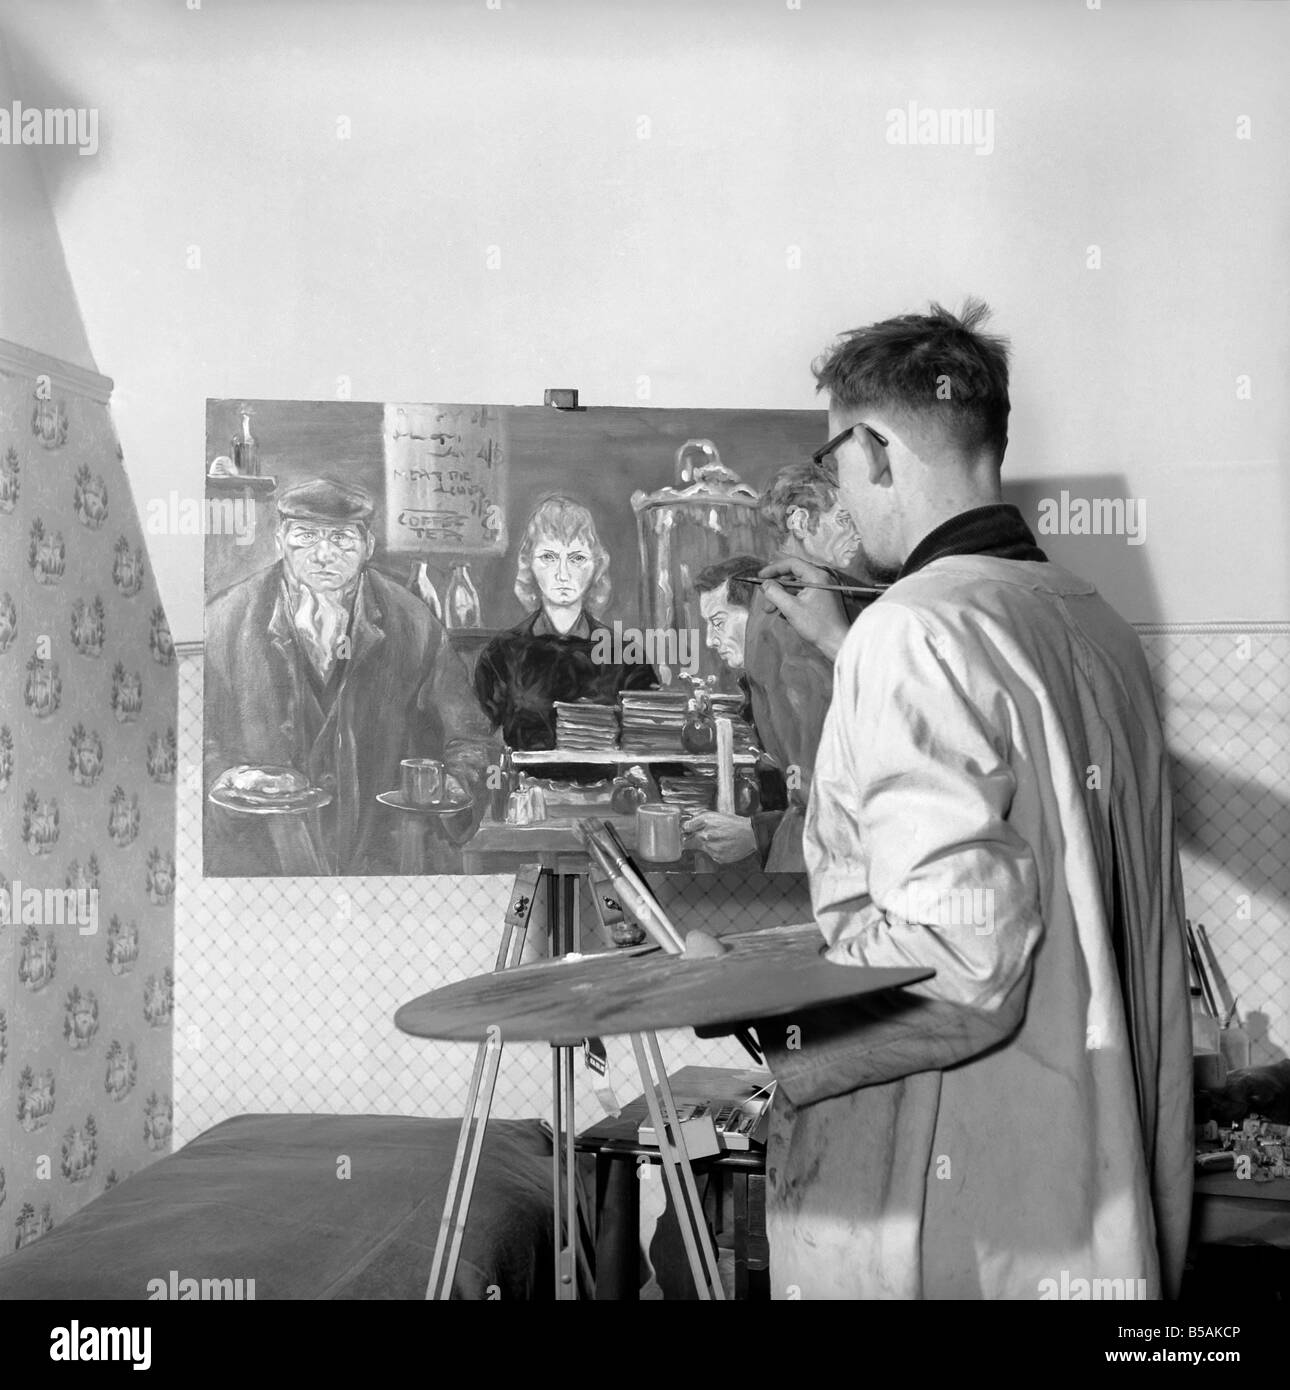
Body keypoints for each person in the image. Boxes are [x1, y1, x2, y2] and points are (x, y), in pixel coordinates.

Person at [755, 300, 1193, 1299]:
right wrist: (843, 648)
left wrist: (783, 1049)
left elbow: (956, 958)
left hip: (970, 1209)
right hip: (1093, 1200)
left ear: (871, 449)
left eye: (836, 460)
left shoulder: (910, 632)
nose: (840, 492)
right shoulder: (1091, 621)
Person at [204, 478, 493, 875]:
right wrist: (228, 779)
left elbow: (471, 735)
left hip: (383, 863)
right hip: (264, 864)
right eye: (306, 536)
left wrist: (458, 783)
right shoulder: (224, 620)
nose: (323, 554)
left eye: (341, 539)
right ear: (279, 541)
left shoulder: (413, 622)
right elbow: (191, 738)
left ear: (367, 547)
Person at [472, 496, 655, 775]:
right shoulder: (501, 653)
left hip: (608, 805)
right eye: (548, 557)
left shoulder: (625, 653)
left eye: (577, 558)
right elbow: (476, 741)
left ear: (597, 566)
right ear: (528, 564)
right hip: (526, 805)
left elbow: (653, 742)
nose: (562, 573)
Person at [683, 555, 788, 865]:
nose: (709, 640)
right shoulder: (761, 689)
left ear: (759, 610)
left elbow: (831, 813)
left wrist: (755, 833)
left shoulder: (798, 688)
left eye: (718, 622)